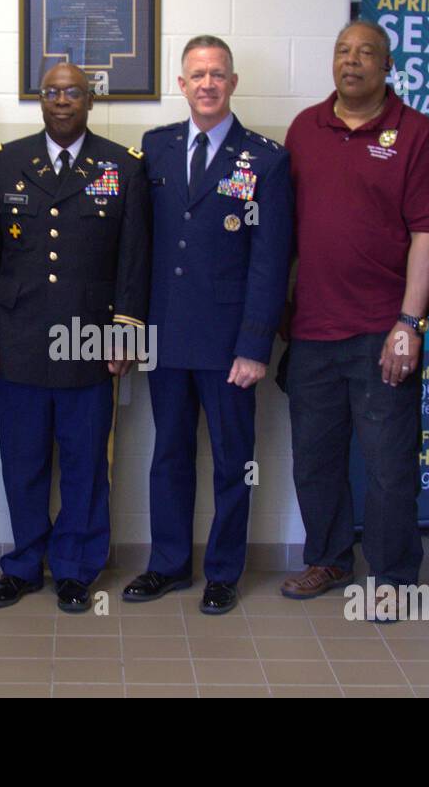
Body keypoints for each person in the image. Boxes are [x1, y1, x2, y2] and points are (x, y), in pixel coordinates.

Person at [0, 63, 151, 613]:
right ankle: (24, 564)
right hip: (20, 333)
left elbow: (134, 257)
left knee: (85, 462)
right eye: (52, 92)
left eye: (73, 91)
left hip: (89, 337)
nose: (62, 100)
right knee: (22, 461)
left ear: (89, 99)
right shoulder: (5, 162)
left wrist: (127, 335)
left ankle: (75, 568)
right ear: (40, 100)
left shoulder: (121, 165)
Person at [278, 21, 429, 605]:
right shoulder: (304, 129)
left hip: (382, 329)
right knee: (315, 461)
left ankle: (395, 577)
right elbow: (288, 234)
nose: (352, 62)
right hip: (312, 332)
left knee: (389, 466)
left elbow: (427, 234)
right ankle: (328, 561)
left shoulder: (417, 134)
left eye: (366, 53)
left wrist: (410, 323)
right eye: (343, 52)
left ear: (387, 65)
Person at [122, 36, 292, 614]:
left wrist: (254, 345)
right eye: (197, 74)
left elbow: (270, 262)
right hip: (166, 338)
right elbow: (140, 245)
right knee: (167, 455)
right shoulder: (157, 148)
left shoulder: (265, 159)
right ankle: (167, 565)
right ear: (182, 83)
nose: (207, 84)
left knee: (231, 461)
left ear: (233, 82)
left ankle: (223, 571)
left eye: (217, 74)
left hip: (228, 346)